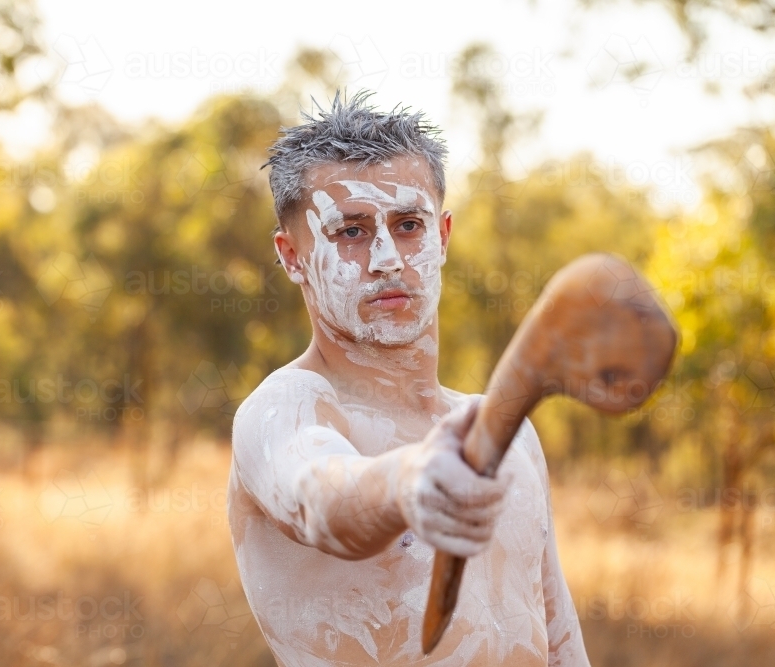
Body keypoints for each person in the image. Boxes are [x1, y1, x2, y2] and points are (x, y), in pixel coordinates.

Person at [227, 91, 589, 666]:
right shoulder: (284, 411)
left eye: (408, 224)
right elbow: (321, 498)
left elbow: (558, 631)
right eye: (350, 231)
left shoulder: (509, 434)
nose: (388, 258)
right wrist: (410, 481)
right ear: (292, 256)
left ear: (442, 236)